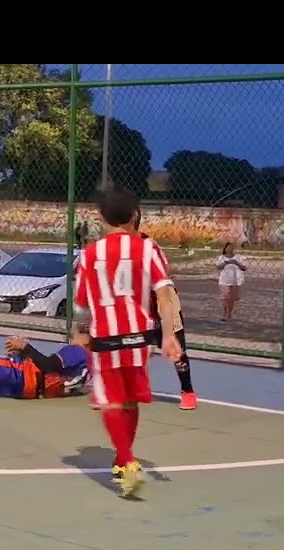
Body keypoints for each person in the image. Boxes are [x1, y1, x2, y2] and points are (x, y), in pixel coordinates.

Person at [74, 185, 181, 499]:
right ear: (135, 214)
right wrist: (169, 334)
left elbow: (81, 303)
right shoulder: (148, 249)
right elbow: (164, 294)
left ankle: (128, 460)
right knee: (130, 399)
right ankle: (122, 460)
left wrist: (82, 332)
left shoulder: (90, 254)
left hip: (106, 335)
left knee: (110, 401)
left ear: (101, 218)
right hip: (139, 336)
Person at [142, 229, 197, 410]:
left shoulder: (150, 247)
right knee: (130, 347)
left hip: (162, 300)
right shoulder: (114, 246)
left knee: (176, 351)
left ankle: (187, 391)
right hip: (138, 303)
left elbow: (162, 278)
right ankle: (132, 388)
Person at [215, 243, 246, 321]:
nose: (230, 249)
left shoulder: (237, 257)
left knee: (231, 299)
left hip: (235, 280)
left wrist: (237, 263)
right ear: (225, 248)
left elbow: (244, 268)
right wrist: (226, 262)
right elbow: (218, 267)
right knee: (225, 297)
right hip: (224, 280)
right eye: (228, 247)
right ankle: (225, 312)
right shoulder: (221, 258)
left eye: (231, 247)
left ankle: (229, 313)